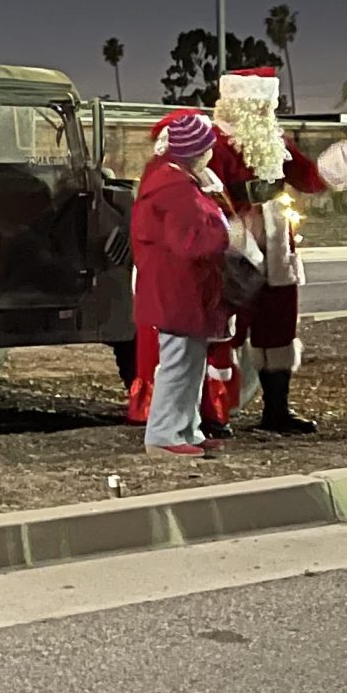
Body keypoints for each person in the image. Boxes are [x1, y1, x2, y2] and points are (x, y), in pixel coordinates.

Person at [208, 66, 347, 434]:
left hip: (277, 250)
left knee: (278, 330)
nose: (264, 114)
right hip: (233, 253)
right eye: (257, 105)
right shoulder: (215, 144)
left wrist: (345, 159)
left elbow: (309, 178)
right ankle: (213, 413)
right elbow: (209, 195)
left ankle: (277, 412)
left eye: (267, 107)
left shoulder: (276, 142)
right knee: (224, 333)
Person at [130, 109, 238, 456]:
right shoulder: (174, 188)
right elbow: (190, 240)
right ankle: (163, 435)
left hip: (184, 291)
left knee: (190, 363)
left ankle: (186, 429)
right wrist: (230, 236)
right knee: (178, 364)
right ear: (197, 151)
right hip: (176, 291)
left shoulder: (176, 181)